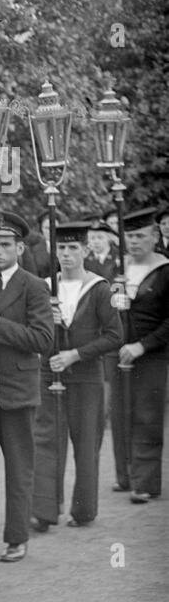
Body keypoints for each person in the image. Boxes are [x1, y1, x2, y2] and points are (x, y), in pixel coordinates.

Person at [0, 211, 54, 562]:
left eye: (4, 245)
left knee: (18, 469)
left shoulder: (34, 286)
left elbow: (44, 339)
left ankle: (17, 538)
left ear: (19, 247)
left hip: (17, 391)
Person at [30, 222, 122, 530]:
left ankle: (83, 511)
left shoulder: (100, 288)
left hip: (85, 377)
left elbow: (114, 336)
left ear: (85, 250)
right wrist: (47, 319)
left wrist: (77, 354)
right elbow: (33, 332)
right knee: (45, 442)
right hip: (50, 372)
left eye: (73, 248)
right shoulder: (43, 286)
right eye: (61, 248)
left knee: (85, 444)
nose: (66, 254)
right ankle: (43, 511)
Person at [110, 208, 169, 503]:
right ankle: (125, 475)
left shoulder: (165, 270)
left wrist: (142, 346)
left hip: (151, 354)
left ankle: (145, 482)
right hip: (119, 353)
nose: (133, 242)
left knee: (147, 415)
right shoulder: (120, 268)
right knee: (120, 414)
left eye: (140, 236)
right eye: (129, 236)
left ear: (154, 236)